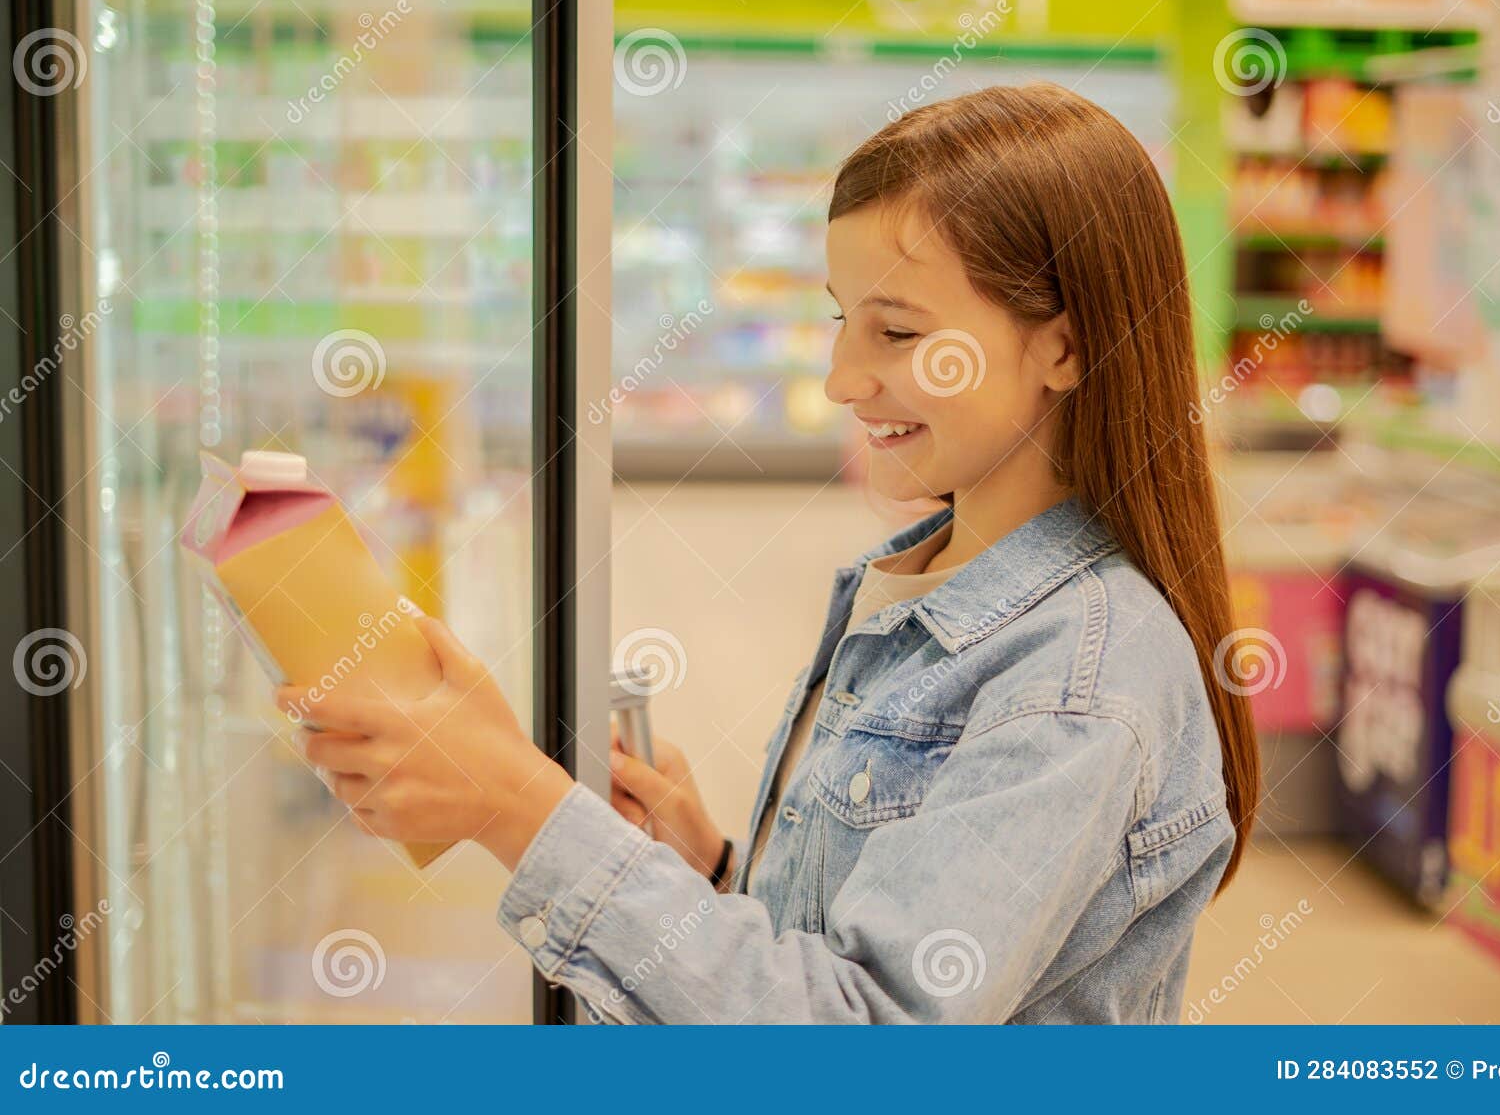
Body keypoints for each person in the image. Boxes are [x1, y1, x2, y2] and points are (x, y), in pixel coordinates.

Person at [277, 83, 1261, 1024]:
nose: (840, 377)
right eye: (843, 320)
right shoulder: (931, 580)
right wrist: (708, 871)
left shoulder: (1075, 683)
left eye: (896, 330)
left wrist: (516, 804)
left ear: (1063, 345)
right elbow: (860, 961)